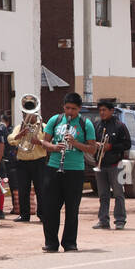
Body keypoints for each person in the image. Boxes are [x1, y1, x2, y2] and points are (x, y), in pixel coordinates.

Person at [40, 92, 97, 253]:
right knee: (50, 208)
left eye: (73, 109)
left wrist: (76, 143)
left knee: (72, 209)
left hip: (75, 170)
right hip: (53, 167)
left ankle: (70, 243)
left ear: (79, 108)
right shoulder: (55, 120)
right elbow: (45, 141)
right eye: (67, 108)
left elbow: (92, 148)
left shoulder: (86, 124)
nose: (70, 112)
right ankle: (51, 243)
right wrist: (54, 147)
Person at [92, 100, 131, 231]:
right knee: (103, 194)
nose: (102, 112)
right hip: (100, 164)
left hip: (117, 164)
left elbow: (127, 144)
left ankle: (120, 220)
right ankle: (103, 220)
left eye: (104, 110)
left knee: (118, 193)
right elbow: (91, 142)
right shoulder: (96, 125)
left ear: (112, 111)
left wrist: (111, 147)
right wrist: (97, 145)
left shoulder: (120, 126)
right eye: (100, 110)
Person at [8, 96, 46, 223]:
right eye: (25, 113)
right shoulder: (19, 127)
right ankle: (24, 215)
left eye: (30, 113)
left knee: (41, 188)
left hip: (39, 161)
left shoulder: (43, 127)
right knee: (23, 189)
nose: (27, 116)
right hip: (22, 162)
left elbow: (49, 142)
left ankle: (42, 214)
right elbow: (11, 139)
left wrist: (39, 141)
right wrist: (21, 134)